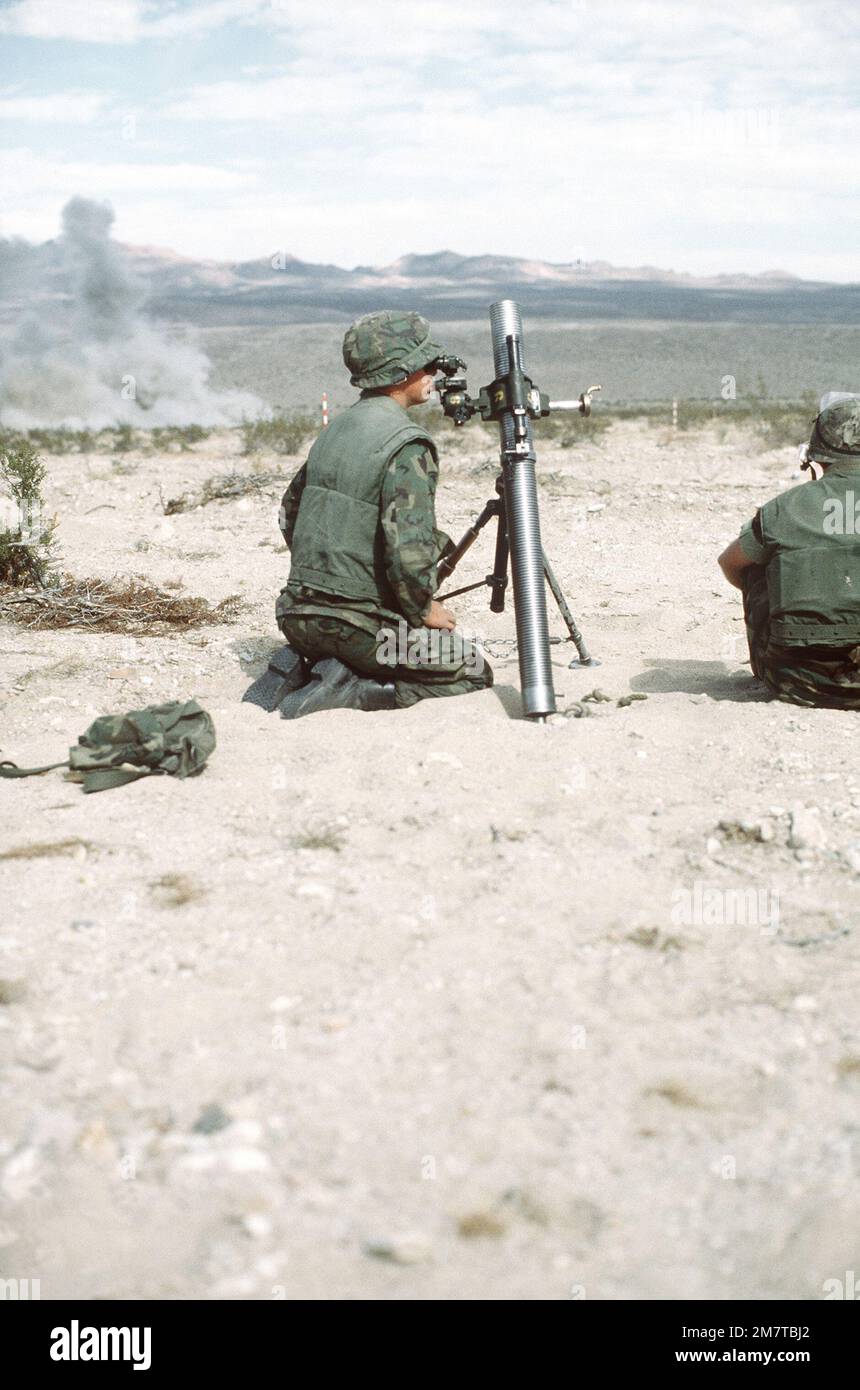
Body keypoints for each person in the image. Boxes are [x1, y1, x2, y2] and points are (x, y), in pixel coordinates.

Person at [272, 310, 492, 717]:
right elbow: (408, 551)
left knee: (357, 634)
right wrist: (423, 609)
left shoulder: (334, 430)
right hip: (357, 629)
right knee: (473, 669)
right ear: (401, 372)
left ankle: (315, 665)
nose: (432, 373)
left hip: (295, 615)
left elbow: (290, 514)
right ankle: (352, 690)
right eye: (426, 364)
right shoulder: (406, 443)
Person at [718, 393, 860, 708]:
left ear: (816, 455)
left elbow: (729, 563)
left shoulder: (785, 508)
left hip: (799, 681)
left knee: (756, 564)